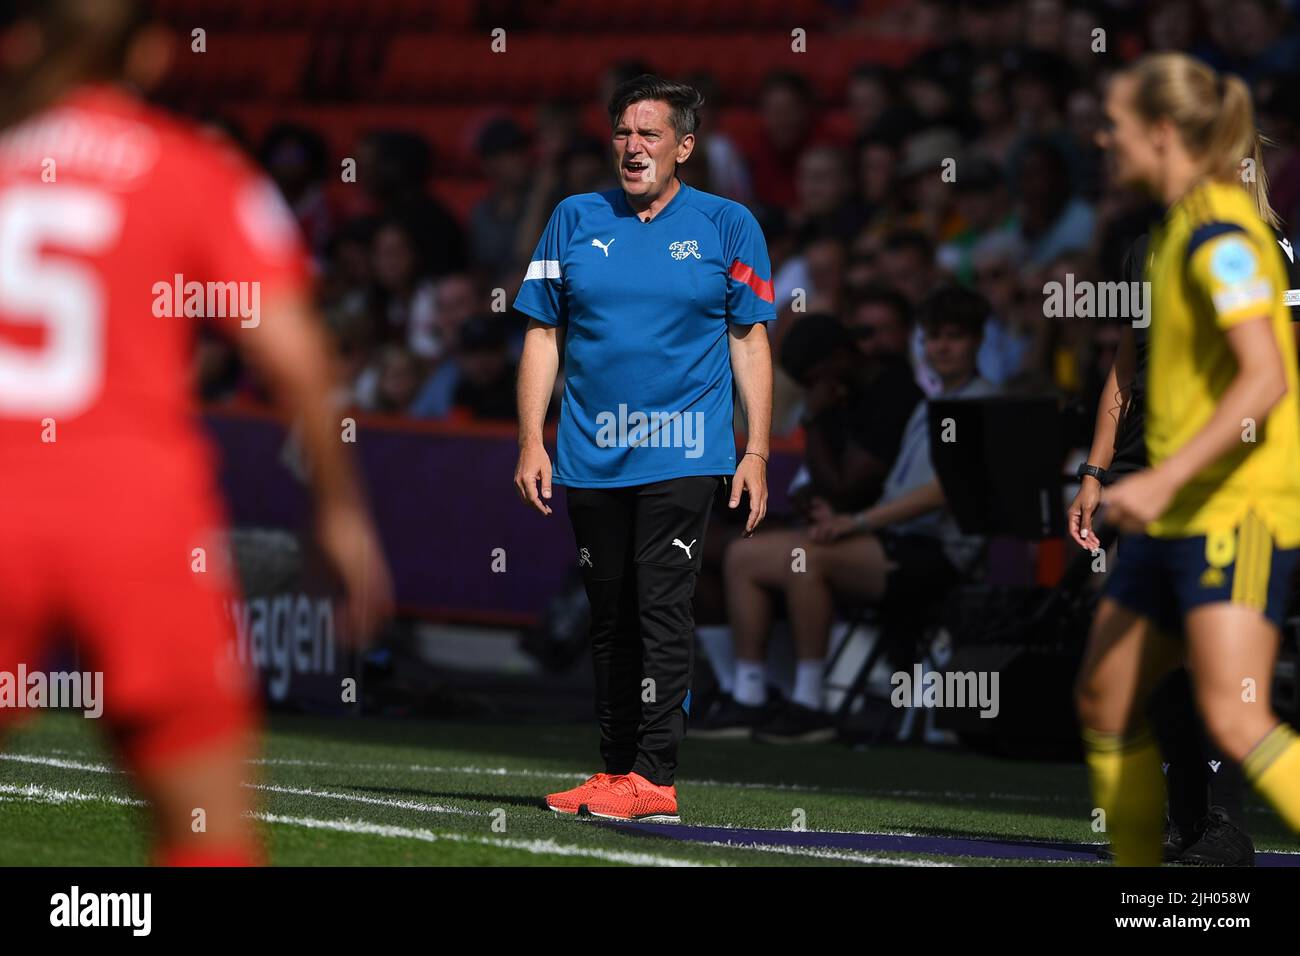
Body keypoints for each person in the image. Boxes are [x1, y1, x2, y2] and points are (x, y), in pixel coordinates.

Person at [0, 0, 393, 865]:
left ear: (20, 43)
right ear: (150, 54)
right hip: (136, 516)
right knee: (205, 840)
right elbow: (298, 361)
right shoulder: (190, 169)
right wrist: (339, 513)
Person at [513, 74, 774, 822]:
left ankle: (655, 777)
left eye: (650, 134)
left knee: (662, 609)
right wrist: (533, 438)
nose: (633, 147)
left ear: (684, 146)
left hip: (686, 450)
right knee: (610, 612)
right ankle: (615, 767)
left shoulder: (729, 225)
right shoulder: (571, 218)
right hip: (591, 452)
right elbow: (541, 332)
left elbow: (749, 336)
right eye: (624, 132)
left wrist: (755, 451)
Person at [1075, 52, 1300, 867]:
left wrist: (1166, 477)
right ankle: (1178, 823)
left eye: (1119, 125)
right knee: (1118, 681)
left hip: (1231, 495)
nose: (1104, 139)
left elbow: (1271, 375)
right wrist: (1100, 471)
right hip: (1162, 488)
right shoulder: (1151, 243)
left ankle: (1218, 830)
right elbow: (1124, 367)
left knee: (1229, 701)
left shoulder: (1234, 244)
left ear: (1164, 133)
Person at [712, 285, 995, 743]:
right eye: (933, 337)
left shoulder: (984, 401)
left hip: (940, 553)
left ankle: (811, 701)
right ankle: (749, 695)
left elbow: (941, 493)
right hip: (894, 538)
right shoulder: (933, 402)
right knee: (744, 556)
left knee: (807, 558)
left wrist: (857, 522)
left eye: (955, 337)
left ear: (979, 340)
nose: (942, 347)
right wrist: (839, 513)